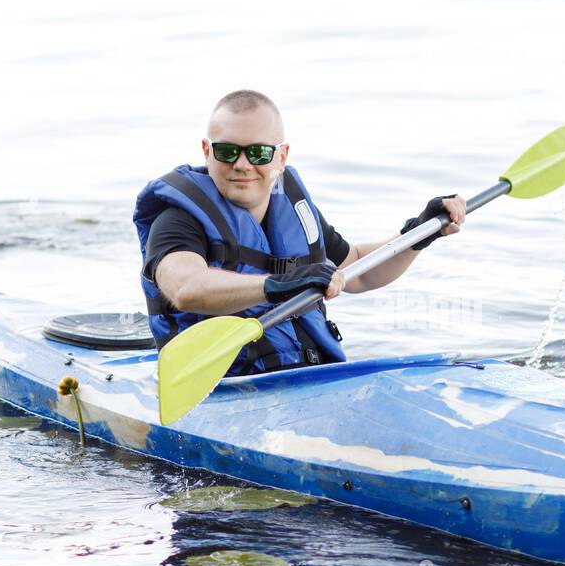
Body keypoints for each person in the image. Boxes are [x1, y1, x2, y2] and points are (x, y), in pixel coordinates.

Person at [134, 90, 465, 375]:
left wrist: (416, 235)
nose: (242, 164)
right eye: (227, 151)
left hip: (306, 377)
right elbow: (186, 287)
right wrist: (279, 285)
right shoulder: (178, 218)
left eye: (259, 152)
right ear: (207, 151)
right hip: (223, 386)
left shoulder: (294, 210)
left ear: (282, 155)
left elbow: (358, 271)